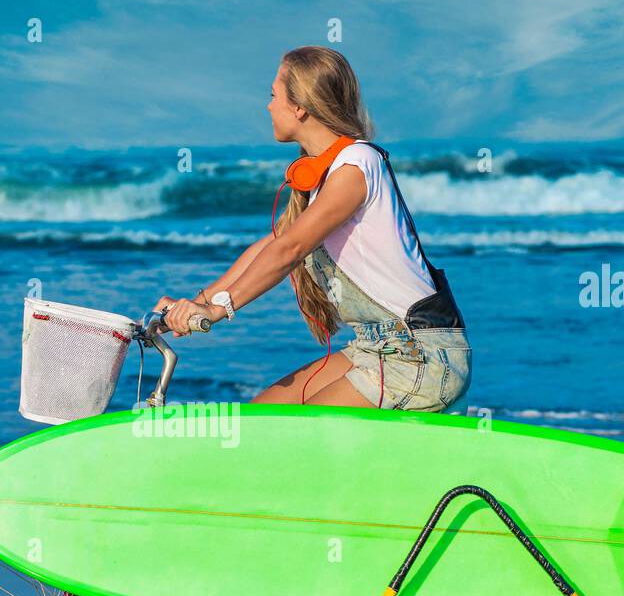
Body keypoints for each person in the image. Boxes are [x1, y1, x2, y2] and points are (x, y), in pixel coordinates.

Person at [156, 45, 471, 411]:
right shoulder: (323, 175)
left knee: (289, 437)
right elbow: (272, 244)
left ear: (300, 107)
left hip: (418, 358)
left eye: (274, 96)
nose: (269, 106)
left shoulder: (357, 164)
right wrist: (199, 302)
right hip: (375, 347)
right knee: (261, 417)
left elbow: (290, 250)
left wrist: (219, 311)